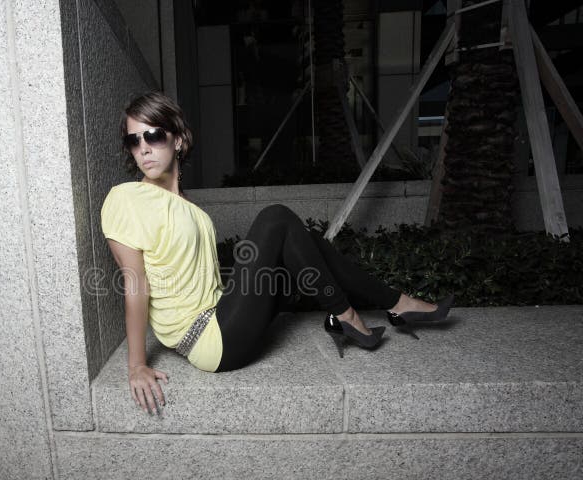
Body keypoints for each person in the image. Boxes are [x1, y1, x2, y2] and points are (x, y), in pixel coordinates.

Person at [101, 92, 454, 416]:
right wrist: (136, 365)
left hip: (226, 311)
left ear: (177, 139)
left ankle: (398, 303)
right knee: (275, 217)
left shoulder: (190, 208)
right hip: (211, 339)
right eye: (133, 140)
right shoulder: (126, 197)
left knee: (307, 239)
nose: (143, 148)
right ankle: (345, 314)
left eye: (153, 135)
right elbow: (135, 284)